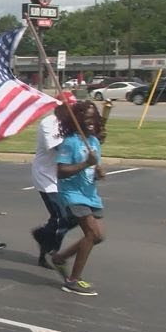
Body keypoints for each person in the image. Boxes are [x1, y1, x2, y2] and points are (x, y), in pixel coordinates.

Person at [48, 100, 107, 296]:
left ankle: (60, 257)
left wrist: (97, 171)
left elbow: (91, 167)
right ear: (77, 120)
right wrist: (84, 164)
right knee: (93, 234)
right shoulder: (70, 142)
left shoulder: (93, 141)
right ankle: (73, 280)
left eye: (93, 117)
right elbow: (61, 171)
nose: (91, 121)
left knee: (98, 236)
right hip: (73, 194)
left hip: (89, 193)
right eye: (86, 118)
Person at [31, 97, 78, 268]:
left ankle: (42, 236)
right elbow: (59, 148)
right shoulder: (49, 123)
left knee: (73, 217)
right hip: (46, 176)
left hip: (62, 176)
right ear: (58, 108)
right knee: (61, 216)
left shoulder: (71, 122)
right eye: (69, 107)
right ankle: (50, 252)